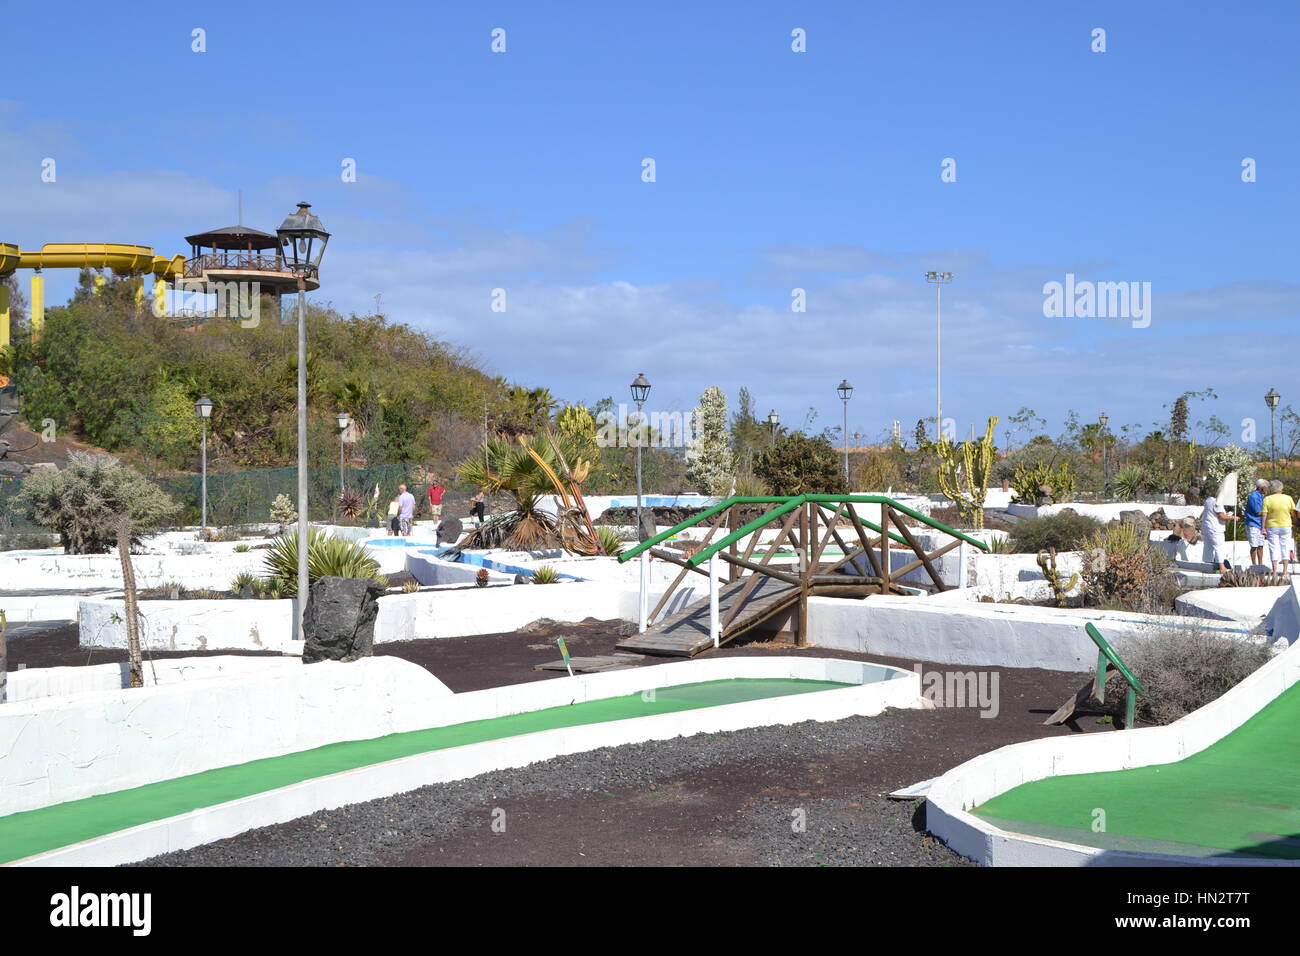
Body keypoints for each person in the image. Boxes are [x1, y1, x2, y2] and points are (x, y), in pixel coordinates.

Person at [1200, 483, 1238, 572]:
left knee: (1208, 547)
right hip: (1215, 528)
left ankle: (1207, 565)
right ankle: (1222, 567)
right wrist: (1233, 517)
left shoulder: (1208, 500)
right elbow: (1222, 516)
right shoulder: (1217, 502)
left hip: (1207, 527)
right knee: (1219, 547)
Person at [1263, 480, 1297, 573]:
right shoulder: (1288, 498)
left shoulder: (1267, 499)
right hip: (1286, 525)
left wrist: (1263, 527)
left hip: (1272, 526)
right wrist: (1295, 521)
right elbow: (1293, 512)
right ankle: (1285, 570)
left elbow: (1264, 514)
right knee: (1285, 546)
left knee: (1273, 547)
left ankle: (1274, 571)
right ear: (1281, 488)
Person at [1245, 477, 1269, 569]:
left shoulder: (1261, 496)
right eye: (1266, 487)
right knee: (1254, 545)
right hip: (1253, 524)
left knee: (1260, 545)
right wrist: (1269, 512)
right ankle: (1254, 565)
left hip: (1260, 524)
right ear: (1261, 488)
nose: (1267, 489)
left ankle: (1260, 564)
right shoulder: (1253, 496)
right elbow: (1257, 512)